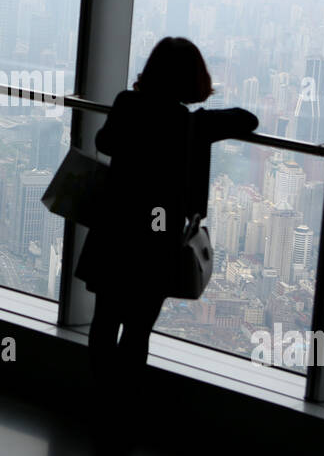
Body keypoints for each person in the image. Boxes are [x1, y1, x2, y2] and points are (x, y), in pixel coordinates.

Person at [76, 37, 259, 424]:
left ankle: (99, 398)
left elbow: (103, 142)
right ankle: (123, 408)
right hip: (156, 241)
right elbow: (247, 119)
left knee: (105, 318)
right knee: (139, 327)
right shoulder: (192, 124)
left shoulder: (127, 104)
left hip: (115, 229)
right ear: (193, 79)